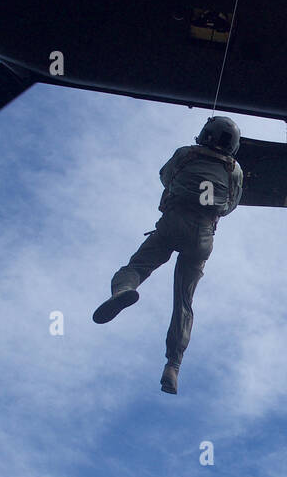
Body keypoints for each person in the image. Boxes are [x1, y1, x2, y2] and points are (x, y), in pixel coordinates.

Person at [92, 116, 243, 394]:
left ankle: (123, 290)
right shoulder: (235, 171)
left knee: (137, 266)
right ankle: (173, 365)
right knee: (184, 302)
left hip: (173, 222)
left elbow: (165, 177)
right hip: (202, 237)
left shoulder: (185, 154)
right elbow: (230, 205)